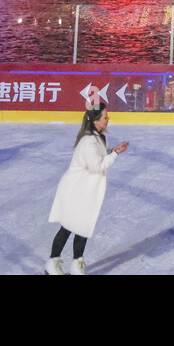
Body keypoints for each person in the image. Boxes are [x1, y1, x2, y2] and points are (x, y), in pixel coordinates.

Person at [46, 101, 128, 275]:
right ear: (96, 120)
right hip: (75, 190)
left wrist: (112, 150)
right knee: (68, 227)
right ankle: (52, 264)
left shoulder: (97, 137)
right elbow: (97, 166)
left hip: (85, 190)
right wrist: (115, 153)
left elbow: (97, 158)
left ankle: (77, 264)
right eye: (105, 117)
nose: (108, 119)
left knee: (83, 226)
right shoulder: (88, 141)